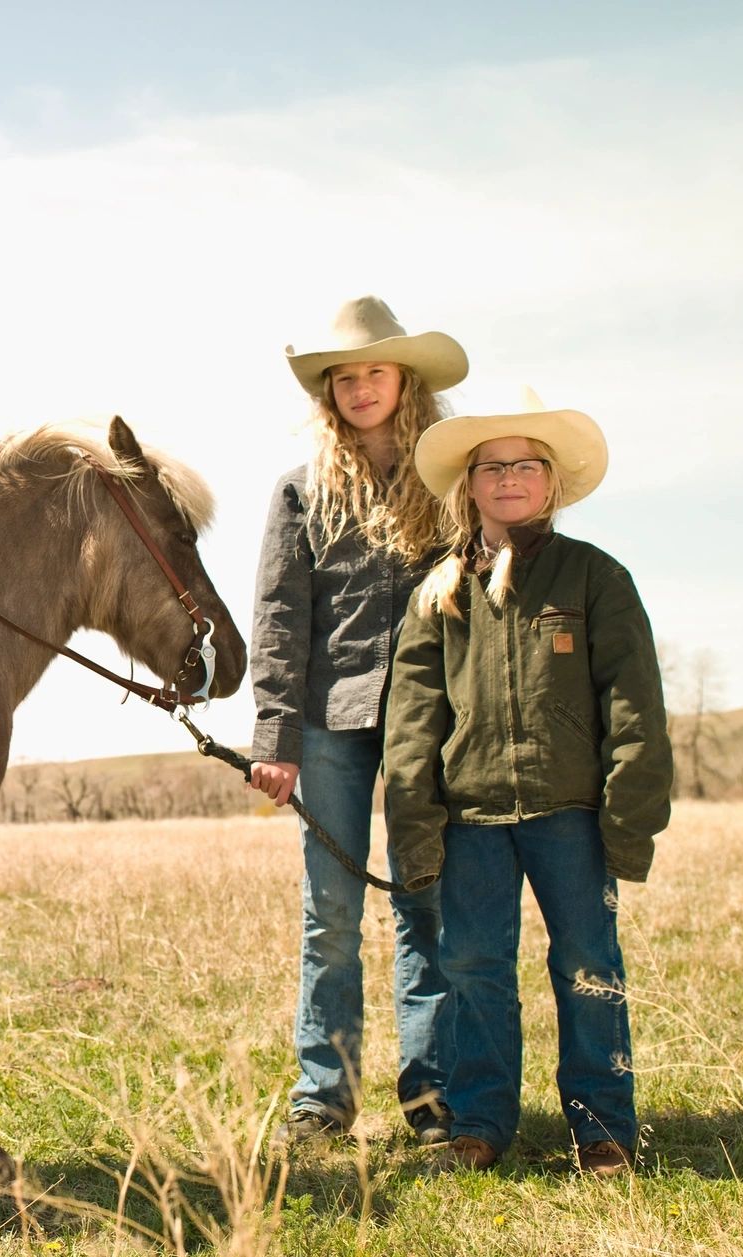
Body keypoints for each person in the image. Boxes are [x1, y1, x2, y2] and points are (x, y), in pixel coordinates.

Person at [384, 390, 672, 1176]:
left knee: (587, 964)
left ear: (548, 481)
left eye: (524, 465)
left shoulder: (594, 577)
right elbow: (412, 725)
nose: (508, 477)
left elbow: (634, 701)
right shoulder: (437, 593)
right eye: (491, 467)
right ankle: (479, 1123)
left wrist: (630, 816)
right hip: (469, 820)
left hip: (569, 814)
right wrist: (413, 825)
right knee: (474, 971)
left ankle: (602, 1126)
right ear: (469, 485)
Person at [247, 297, 467, 1145]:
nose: (361, 387)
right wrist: (274, 740)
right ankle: (321, 1095)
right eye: (344, 377)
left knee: (428, 904)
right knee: (329, 913)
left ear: (403, 380)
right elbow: (277, 617)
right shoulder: (301, 490)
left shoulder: (452, 481)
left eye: (375, 371)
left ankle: (432, 1094)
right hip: (329, 722)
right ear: (328, 393)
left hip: (430, 718)